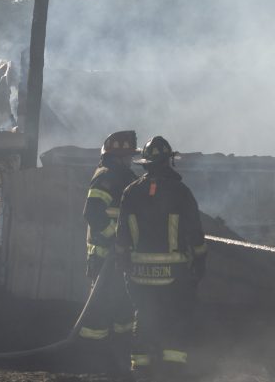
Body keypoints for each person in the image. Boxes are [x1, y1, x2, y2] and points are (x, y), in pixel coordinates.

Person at [116, 136, 207, 379]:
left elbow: (121, 235)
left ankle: (141, 370)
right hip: (174, 276)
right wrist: (200, 262)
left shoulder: (130, 192)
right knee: (175, 320)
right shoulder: (180, 192)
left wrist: (125, 265)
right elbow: (195, 233)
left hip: (138, 276)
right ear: (169, 162)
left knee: (143, 319)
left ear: (145, 164)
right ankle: (173, 371)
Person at [78, 130, 139, 373]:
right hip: (105, 256)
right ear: (119, 156)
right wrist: (116, 238)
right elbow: (92, 212)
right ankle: (96, 364)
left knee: (122, 310)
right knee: (100, 312)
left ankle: (118, 361)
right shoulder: (106, 177)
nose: (131, 160)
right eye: (128, 156)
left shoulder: (124, 177)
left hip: (119, 257)